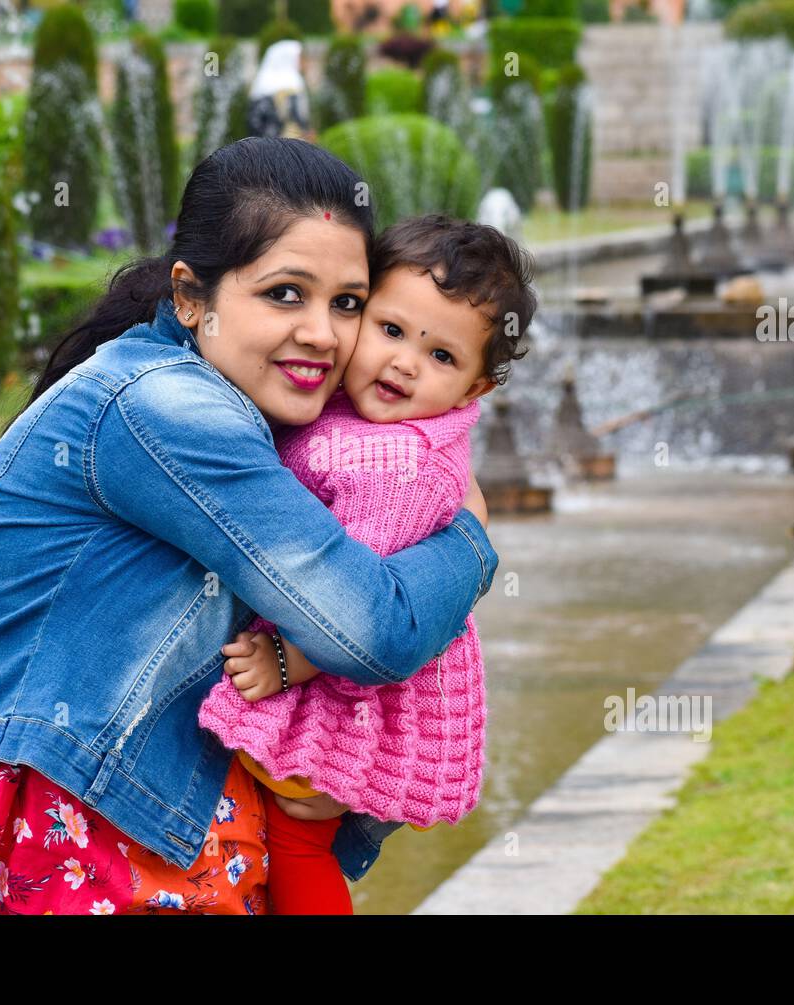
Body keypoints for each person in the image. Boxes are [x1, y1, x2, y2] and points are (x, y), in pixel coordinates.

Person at [0, 138, 497, 915]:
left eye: (349, 303)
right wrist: (469, 537)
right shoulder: (167, 410)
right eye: (286, 293)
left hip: (153, 848)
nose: (326, 334)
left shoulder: (237, 408)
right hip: (83, 856)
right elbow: (372, 629)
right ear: (192, 298)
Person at [198, 215, 534, 914]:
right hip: (343, 690)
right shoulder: (351, 417)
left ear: (474, 390)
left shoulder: (398, 464)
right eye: (390, 330)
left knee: (295, 842)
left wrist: (287, 660)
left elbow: (356, 606)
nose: (406, 362)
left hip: (349, 703)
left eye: (442, 356)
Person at [246, 39, 312, 141]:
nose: (304, 61)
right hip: (289, 144)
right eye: (300, 57)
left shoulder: (261, 83)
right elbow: (298, 119)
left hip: (261, 145)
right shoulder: (293, 82)